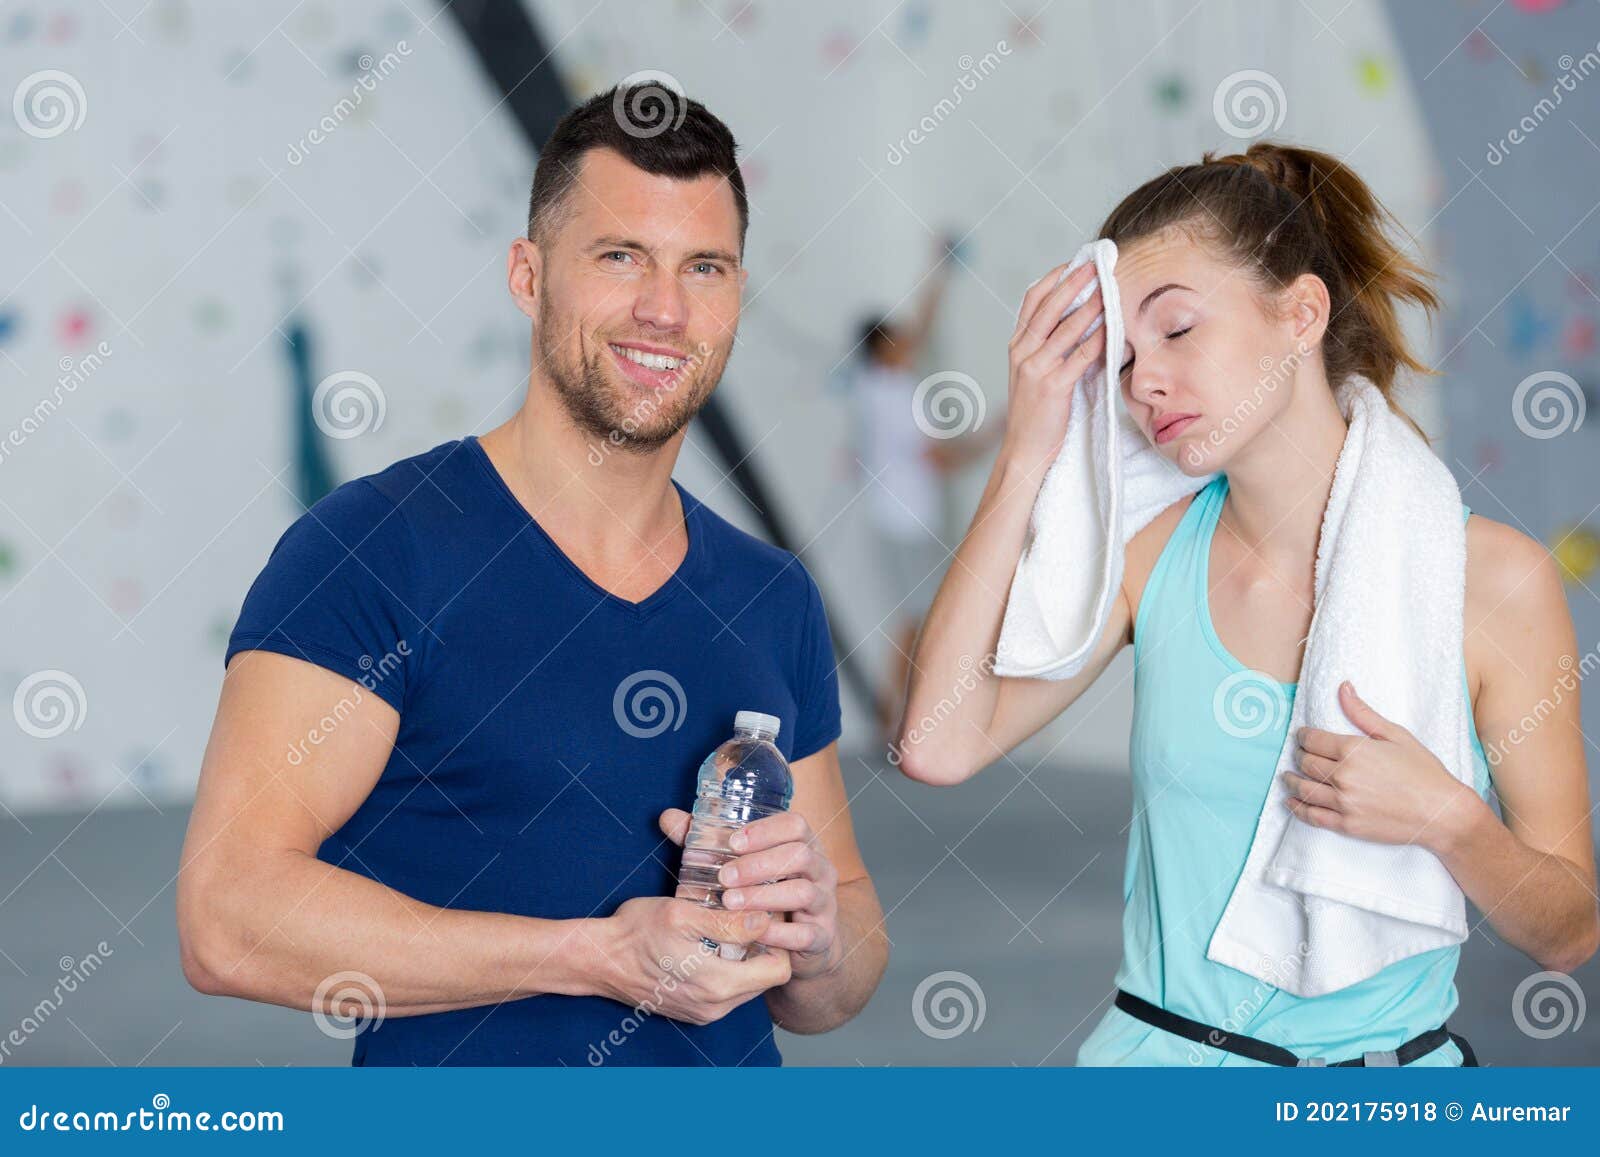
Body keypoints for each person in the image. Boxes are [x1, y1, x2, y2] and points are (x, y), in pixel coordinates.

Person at [177, 84, 888, 1066]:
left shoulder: (771, 594)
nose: (665, 309)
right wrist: (595, 957)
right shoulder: (375, 550)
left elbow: (840, 971)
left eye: (705, 267)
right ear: (528, 273)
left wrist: (812, 933)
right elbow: (228, 914)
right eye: (620, 256)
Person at [896, 142, 1598, 1066]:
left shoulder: (1494, 582)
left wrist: (1451, 821)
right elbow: (939, 744)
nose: (1144, 382)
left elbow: (1569, 930)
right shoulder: (1153, 556)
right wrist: (1026, 446)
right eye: (1125, 358)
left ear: (1301, 313)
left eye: (1178, 331)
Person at [848, 239, 996, 740]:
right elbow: (941, 459)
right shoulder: (891, 394)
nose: (909, 342)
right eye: (897, 340)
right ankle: (900, 722)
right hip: (907, 523)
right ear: (882, 349)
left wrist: (937, 271)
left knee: (919, 622)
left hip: (902, 520)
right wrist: (1000, 435)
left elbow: (923, 326)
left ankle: (899, 720)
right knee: (920, 625)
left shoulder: (876, 387)